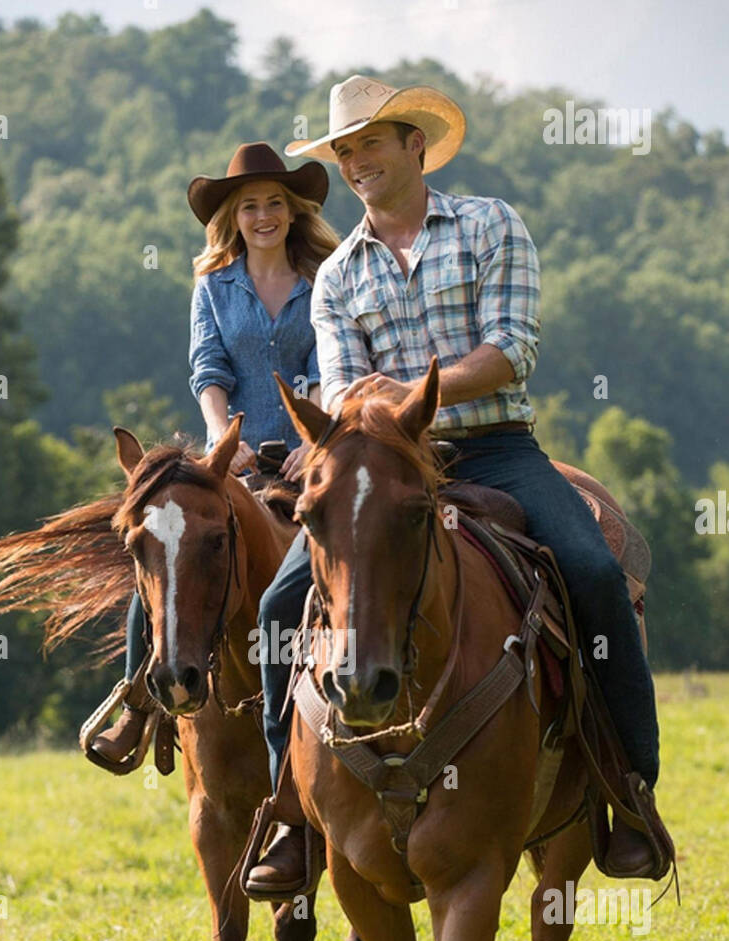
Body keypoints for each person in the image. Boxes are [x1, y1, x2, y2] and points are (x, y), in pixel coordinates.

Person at [246, 74, 664, 896]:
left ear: (415, 145)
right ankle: (288, 821)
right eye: (345, 149)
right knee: (275, 608)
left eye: (371, 142)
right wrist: (383, 414)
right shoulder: (336, 277)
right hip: (385, 466)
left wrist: (410, 395)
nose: (357, 160)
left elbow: (511, 348)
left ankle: (629, 795)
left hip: (494, 450)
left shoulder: (488, 224)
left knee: (592, 573)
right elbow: (337, 387)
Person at [89, 144, 339, 766]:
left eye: (275, 203)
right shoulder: (213, 286)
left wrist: (311, 442)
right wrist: (226, 438)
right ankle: (136, 706)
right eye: (250, 205)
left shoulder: (324, 279)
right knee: (166, 557)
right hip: (234, 455)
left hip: (312, 451)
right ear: (233, 217)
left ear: (293, 210)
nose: (263, 216)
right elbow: (208, 368)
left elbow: (324, 365)